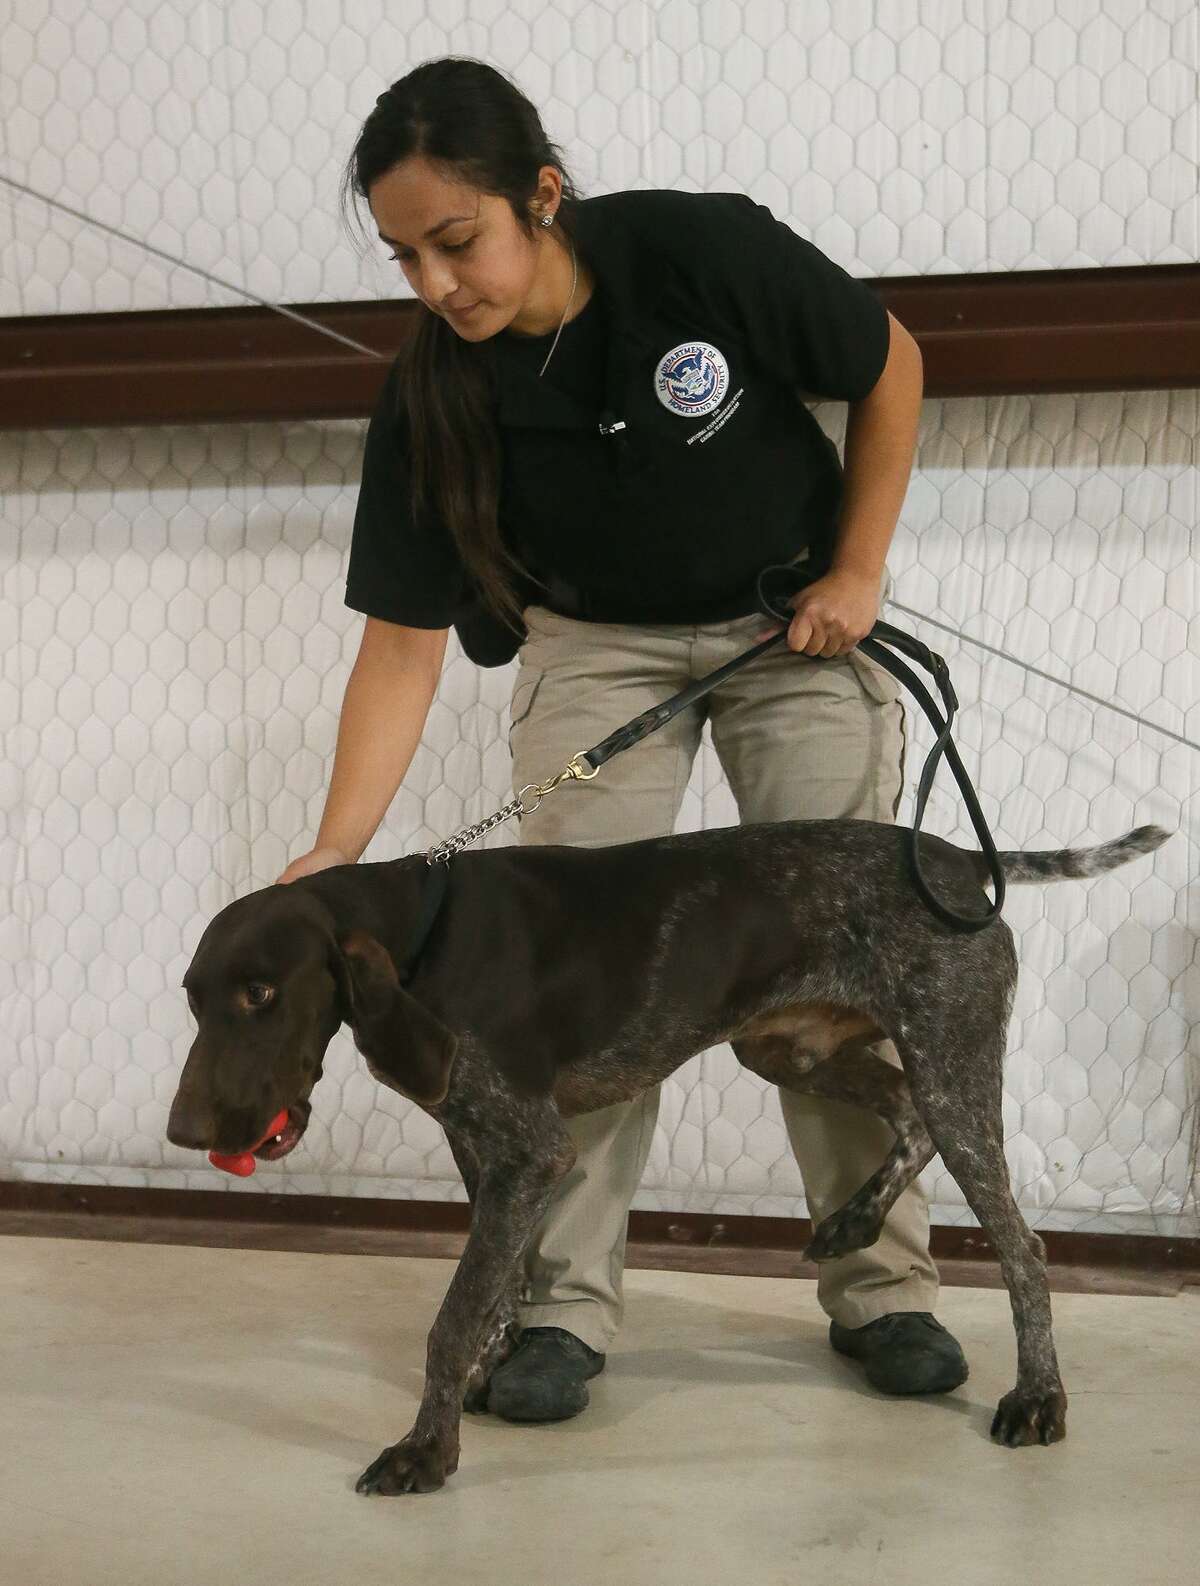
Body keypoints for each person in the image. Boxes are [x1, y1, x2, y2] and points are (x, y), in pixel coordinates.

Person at [279, 56, 967, 1421]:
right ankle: (560, 1308)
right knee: (570, 984)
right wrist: (336, 845)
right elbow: (403, 642)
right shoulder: (434, 390)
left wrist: (861, 566)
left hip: (794, 627)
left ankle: (885, 1290)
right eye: (404, 256)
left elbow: (889, 360)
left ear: (542, 193)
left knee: (831, 954)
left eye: (456, 241)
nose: (435, 285)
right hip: (593, 650)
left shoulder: (693, 250)